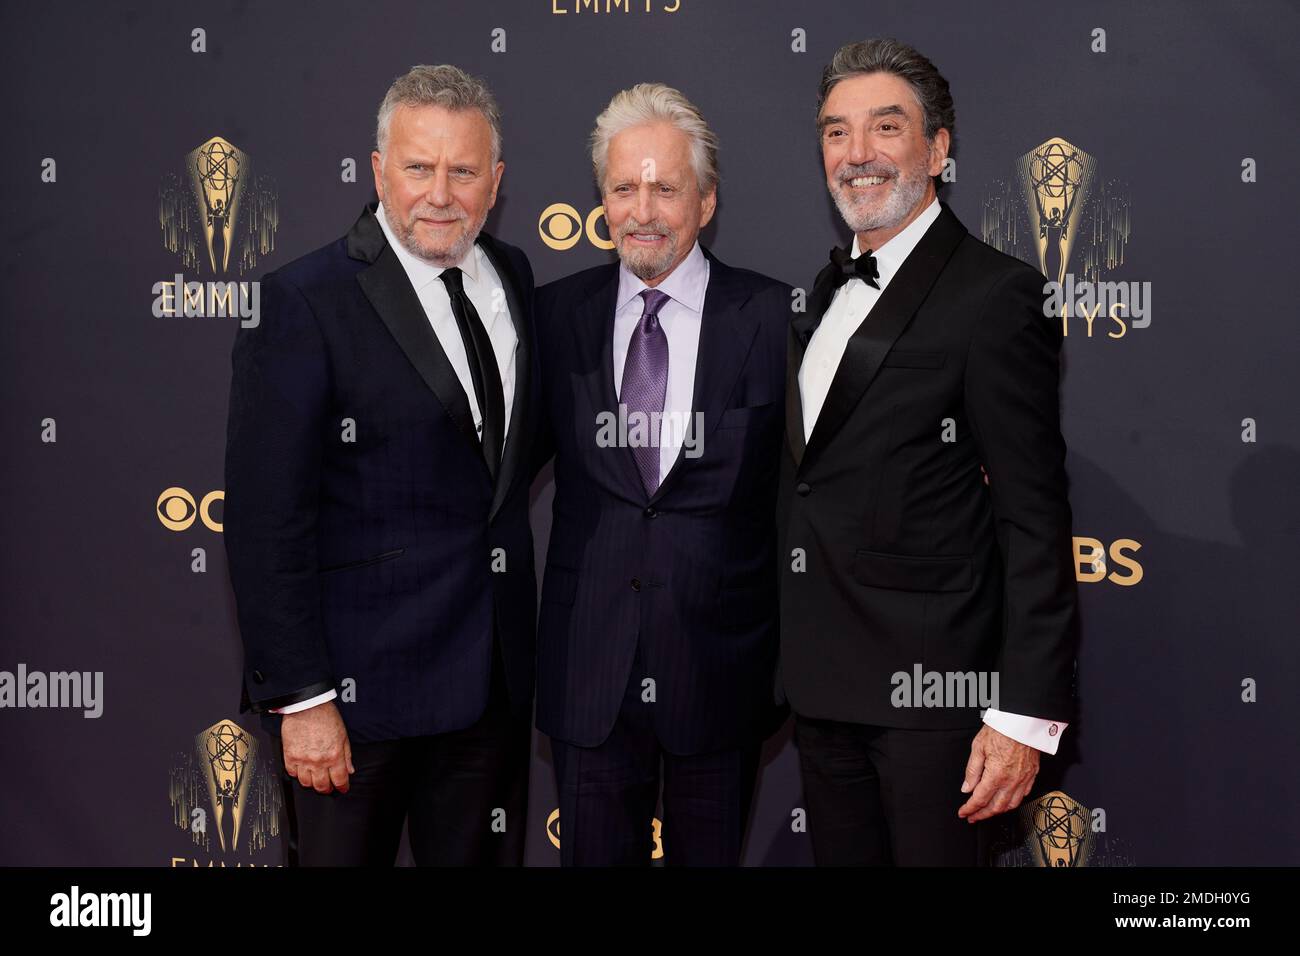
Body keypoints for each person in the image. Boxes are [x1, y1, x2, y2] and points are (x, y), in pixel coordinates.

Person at [223, 64, 537, 865]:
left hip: (488, 696)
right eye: (418, 167)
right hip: (355, 707)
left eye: (463, 171)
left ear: (495, 182)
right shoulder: (303, 302)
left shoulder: (515, 279)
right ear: (376, 171)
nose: (441, 193)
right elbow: (265, 523)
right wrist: (304, 701)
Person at [779, 38, 1081, 865]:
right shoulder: (824, 288)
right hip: (821, 693)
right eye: (836, 133)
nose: (857, 154)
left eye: (886, 127)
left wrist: (1022, 716)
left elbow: (1033, 517)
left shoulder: (995, 294)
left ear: (938, 149)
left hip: (936, 707)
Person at [532, 83, 789, 866]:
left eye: (666, 187)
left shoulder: (778, 319)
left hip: (720, 676)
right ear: (602, 199)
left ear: (706, 202)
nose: (642, 209)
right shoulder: (551, 319)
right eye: (623, 187)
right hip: (589, 677)